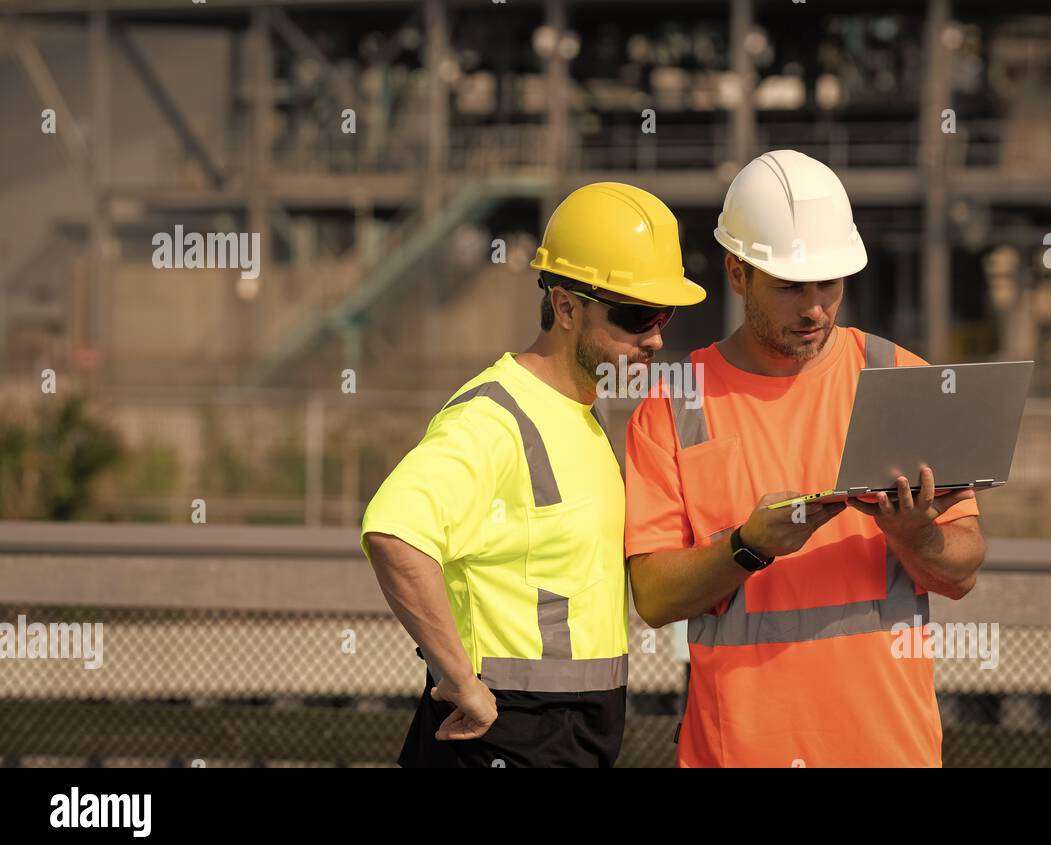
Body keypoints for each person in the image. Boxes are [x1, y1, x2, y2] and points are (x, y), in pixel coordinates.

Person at [624, 150, 987, 767]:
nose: (815, 308)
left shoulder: (899, 377)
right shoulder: (674, 404)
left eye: (830, 283)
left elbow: (962, 572)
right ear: (737, 273)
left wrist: (915, 538)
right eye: (791, 286)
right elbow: (654, 599)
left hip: (888, 753)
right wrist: (748, 545)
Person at [361, 182, 704, 767]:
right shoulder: (496, 418)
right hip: (507, 733)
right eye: (635, 315)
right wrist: (461, 682)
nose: (656, 337)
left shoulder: (583, 420)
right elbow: (394, 532)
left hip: (562, 734)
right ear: (566, 306)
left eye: (663, 314)